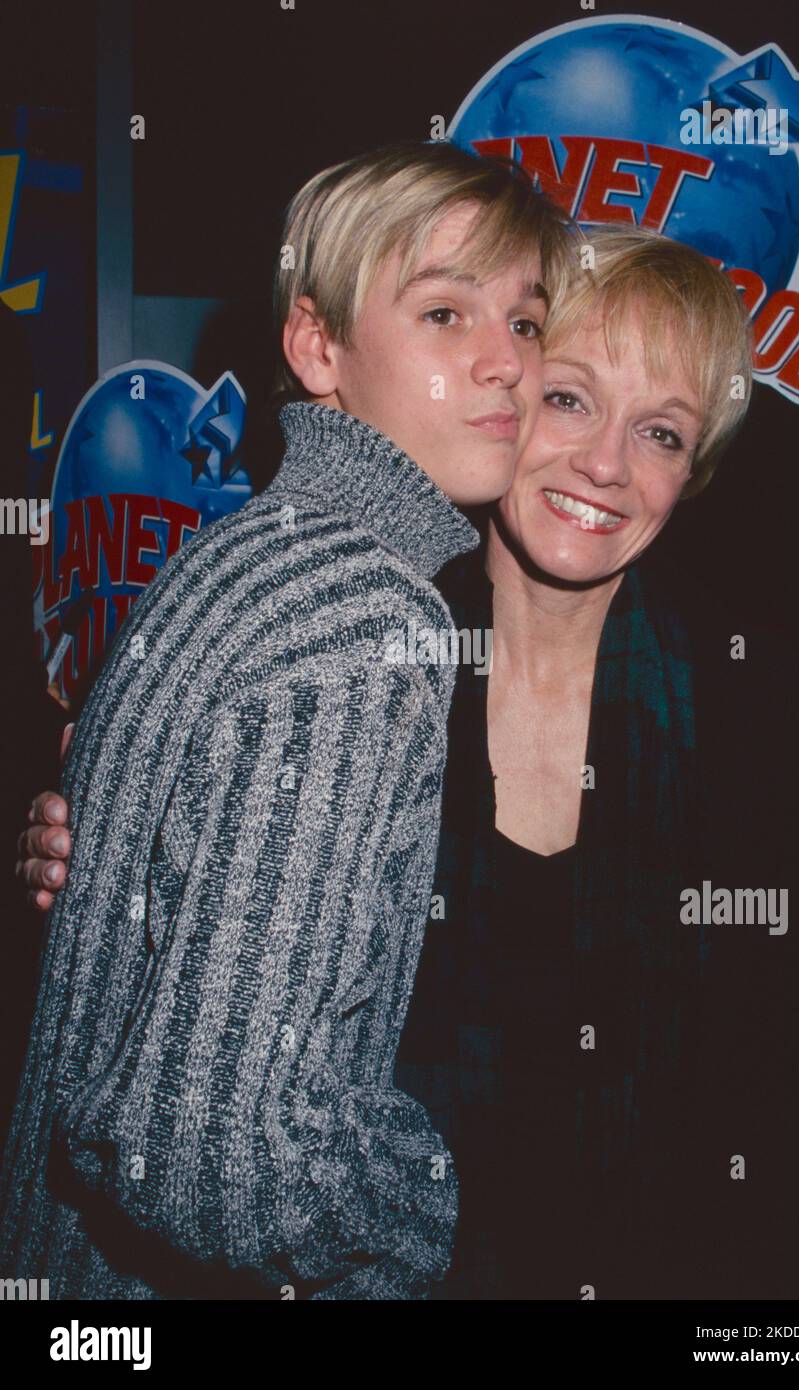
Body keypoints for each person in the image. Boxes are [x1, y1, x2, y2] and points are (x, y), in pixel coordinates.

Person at [15, 227, 799, 1301]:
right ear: (507, 393)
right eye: (572, 400)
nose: (604, 466)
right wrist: (107, 860)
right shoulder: (354, 648)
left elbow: (794, 1090)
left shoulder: (758, 718)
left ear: (695, 470)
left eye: (662, 433)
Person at [0, 137, 577, 1301]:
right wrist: (421, 1207)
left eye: (522, 322)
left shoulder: (236, 549)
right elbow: (206, 1159)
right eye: (443, 314)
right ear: (318, 346)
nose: (504, 364)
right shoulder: (370, 618)